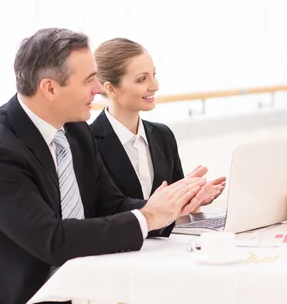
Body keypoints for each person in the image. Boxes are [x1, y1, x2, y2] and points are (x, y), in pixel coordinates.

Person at [0, 28, 213, 304]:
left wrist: (170, 207)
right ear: (50, 88)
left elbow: (110, 204)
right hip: (31, 296)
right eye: (89, 80)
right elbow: (52, 240)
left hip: (91, 285)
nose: (99, 89)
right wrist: (148, 217)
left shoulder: (76, 130)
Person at [90, 38, 226, 204]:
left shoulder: (163, 135)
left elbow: (177, 213)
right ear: (111, 89)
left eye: (153, 75)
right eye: (142, 79)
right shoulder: (88, 144)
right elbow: (101, 212)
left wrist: (191, 199)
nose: (155, 86)